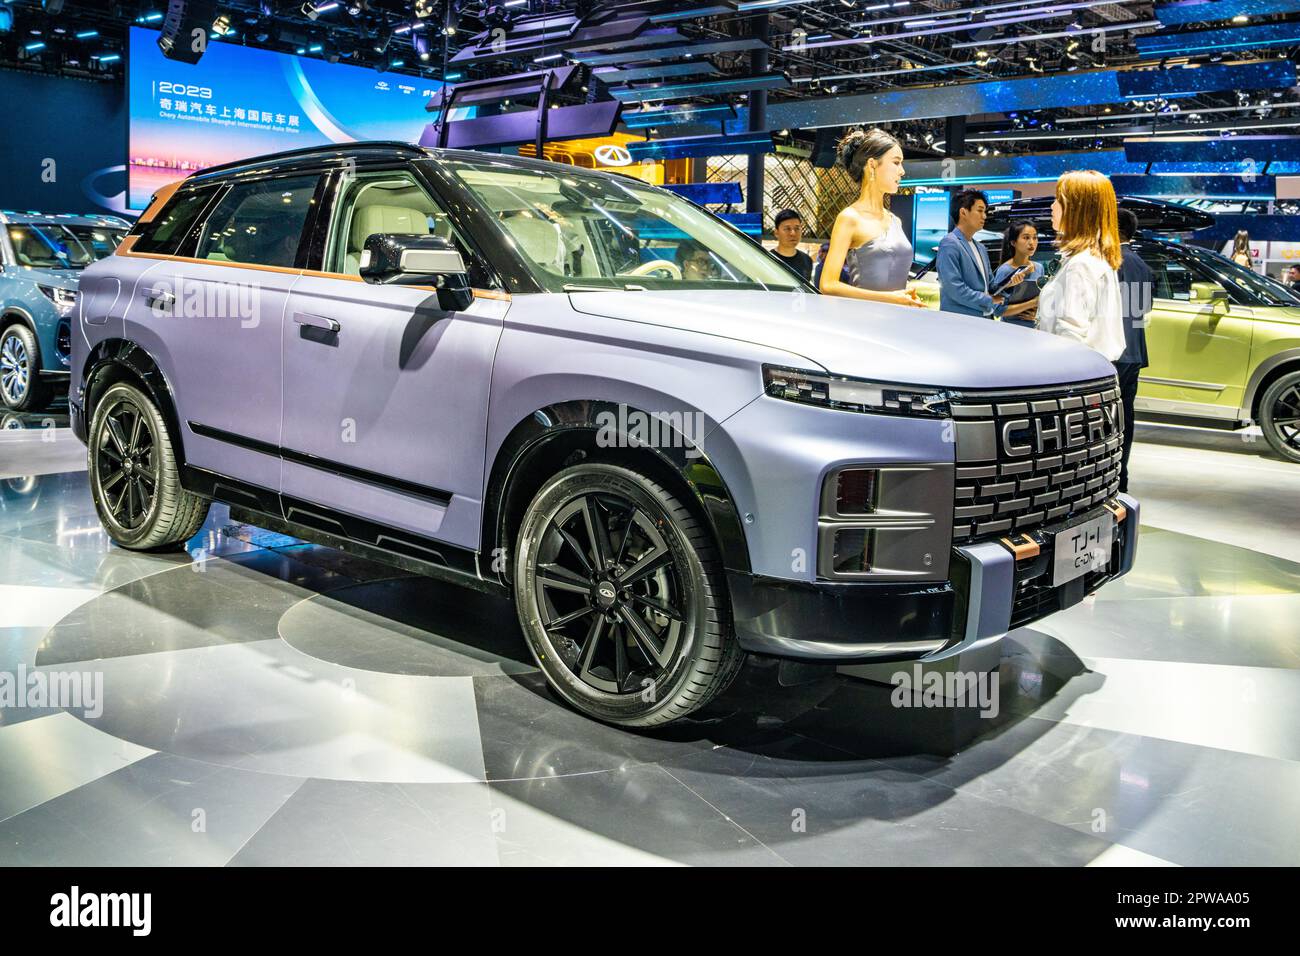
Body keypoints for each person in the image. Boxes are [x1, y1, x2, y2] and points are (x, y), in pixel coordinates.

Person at [819, 127, 925, 307]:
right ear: (872, 165)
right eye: (896, 162)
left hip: (900, 319)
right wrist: (891, 299)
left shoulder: (895, 221)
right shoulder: (850, 218)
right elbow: (827, 285)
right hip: (865, 321)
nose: (902, 171)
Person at [1036, 170, 1125, 360]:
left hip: (1068, 373)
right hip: (1091, 370)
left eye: (1058, 200)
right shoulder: (1094, 259)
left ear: (1077, 208)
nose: (1052, 207)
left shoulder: (1081, 265)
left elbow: (1070, 337)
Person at [935, 189, 1023, 317]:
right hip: (958, 322)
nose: (984, 216)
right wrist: (989, 300)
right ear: (963, 212)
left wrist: (1009, 283)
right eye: (980, 211)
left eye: (985, 212)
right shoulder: (949, 243)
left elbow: (991, 286)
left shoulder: (981, 248)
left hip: (984, 320)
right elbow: (954, 289)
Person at [1114, 208, 1152, 493]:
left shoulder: (1113, 262)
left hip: (1113, 351)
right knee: (1127, 419)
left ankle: (1110, 479)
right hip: (1135, 351)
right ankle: (1121, 478)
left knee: (1109, 422)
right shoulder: (1141, 265)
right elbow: (1144, 309)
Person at [990, 220, 1044, 329]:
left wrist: (1037, 314)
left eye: (1035, 237)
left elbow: (1041, 302)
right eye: (1026, 237)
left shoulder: (1039, 268)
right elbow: (997, 310)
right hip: (1010, 330)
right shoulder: (1004, 270)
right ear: (1013, 242)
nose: (1032, 242)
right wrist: (1031, 303)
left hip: (1034, 330)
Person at [770, 208, 813, 281]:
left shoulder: (807, 260)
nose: (793, 233)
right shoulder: (768, 259)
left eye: (797, 229)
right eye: (787, 229)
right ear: (776, 233)